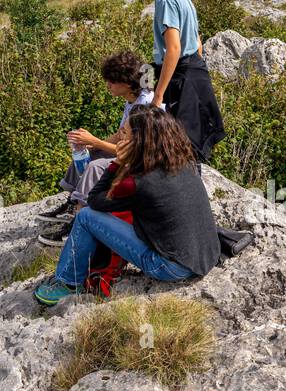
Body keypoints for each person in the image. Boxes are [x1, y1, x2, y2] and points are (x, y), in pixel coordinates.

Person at [34, 105, 220, 306]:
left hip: (168, 267)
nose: (122, 138)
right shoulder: (182, 162)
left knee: (86, 217)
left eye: (126, 133)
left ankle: (68, 282)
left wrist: (117, 163)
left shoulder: (139, 181)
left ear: (138, 141)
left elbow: (95, 201)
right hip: (206, 256)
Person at [36, 50, 161, 247]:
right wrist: (91, 143)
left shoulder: (145, 104)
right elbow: (121, 135)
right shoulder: (132, 100)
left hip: (142, 162)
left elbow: (130, 151)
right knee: (88, 153)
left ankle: (78, 226)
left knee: (95, 166)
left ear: (127, 83)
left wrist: (95, 141)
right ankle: (72, 202)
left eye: (112, 81)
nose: (108, 85)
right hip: (129, 153)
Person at [123, 0, 225, 162]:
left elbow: (174, 48)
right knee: (189, 148)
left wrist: (158, 96)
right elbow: (197, 42)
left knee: (181, 150)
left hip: (183, 78)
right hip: (195, 73)